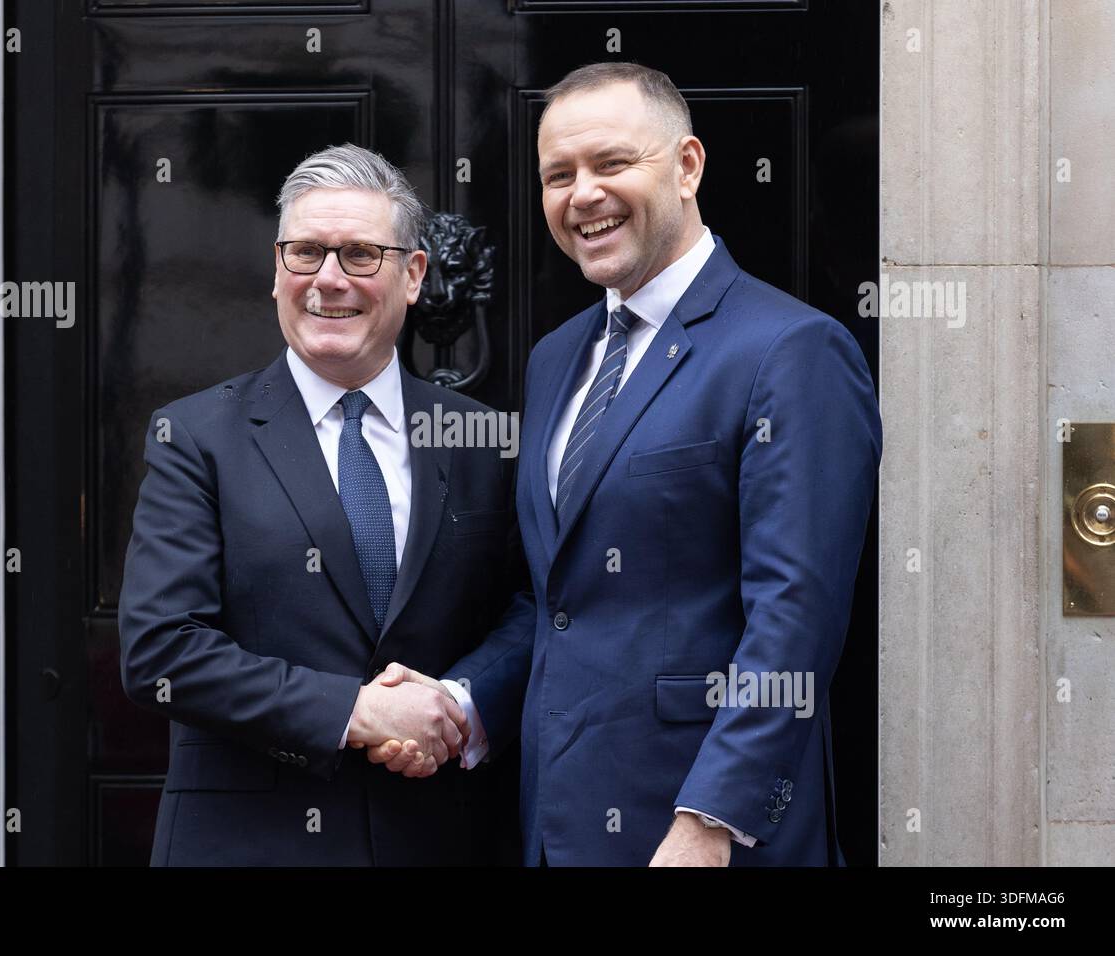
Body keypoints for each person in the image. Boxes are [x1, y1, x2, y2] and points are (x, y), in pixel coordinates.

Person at [369, 62, 881, 867]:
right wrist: (462, 703)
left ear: (686, 166)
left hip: (703, 835)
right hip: (557, 821)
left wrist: (713, 817)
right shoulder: (555, 358)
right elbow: (557, 601)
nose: (583, 195)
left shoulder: (792, 351)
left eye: (611, 164)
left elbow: (796, 619)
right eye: (558, 176)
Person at [118, 143, 520, 865]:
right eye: (305, 253)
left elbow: (534, 609)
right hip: (250, 846)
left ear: (414, 274)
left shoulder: (483, 440)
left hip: (442, 839)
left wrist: (461, 705)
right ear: (278, 271)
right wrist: (357, 712)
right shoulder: (197, 436)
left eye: (361, 254)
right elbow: (160, 649)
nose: (328, 281)